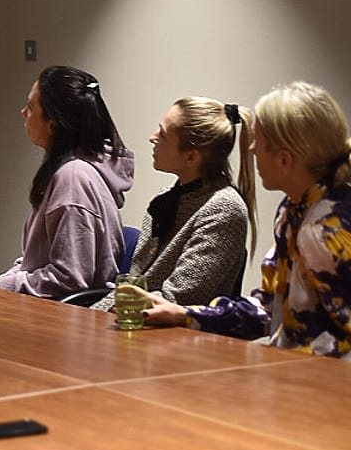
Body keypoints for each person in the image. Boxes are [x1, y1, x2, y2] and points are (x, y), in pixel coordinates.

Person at [140, 82, 351, 358]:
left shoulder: (327, 230)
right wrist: (185, 314)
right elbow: (267, 309)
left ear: (284, 160)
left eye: (258, 143)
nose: (250, 149)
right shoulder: (293, 210)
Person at [92, 97, 256, 312]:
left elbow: (178, 297)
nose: (153, 138)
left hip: (173, 334)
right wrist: (93, 314)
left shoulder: (224, 209)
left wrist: (99, 316)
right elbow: (133, 284)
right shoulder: (166, 199)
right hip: (135, 319)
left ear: (191, 157)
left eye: (163, 134)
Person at [0, 65, 134, 298]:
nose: (23, 112)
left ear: (52, 124)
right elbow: (34, 263)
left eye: (31, 107)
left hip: (63, 319)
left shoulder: (73, 179)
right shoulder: (73, 171)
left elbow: (69, 278)